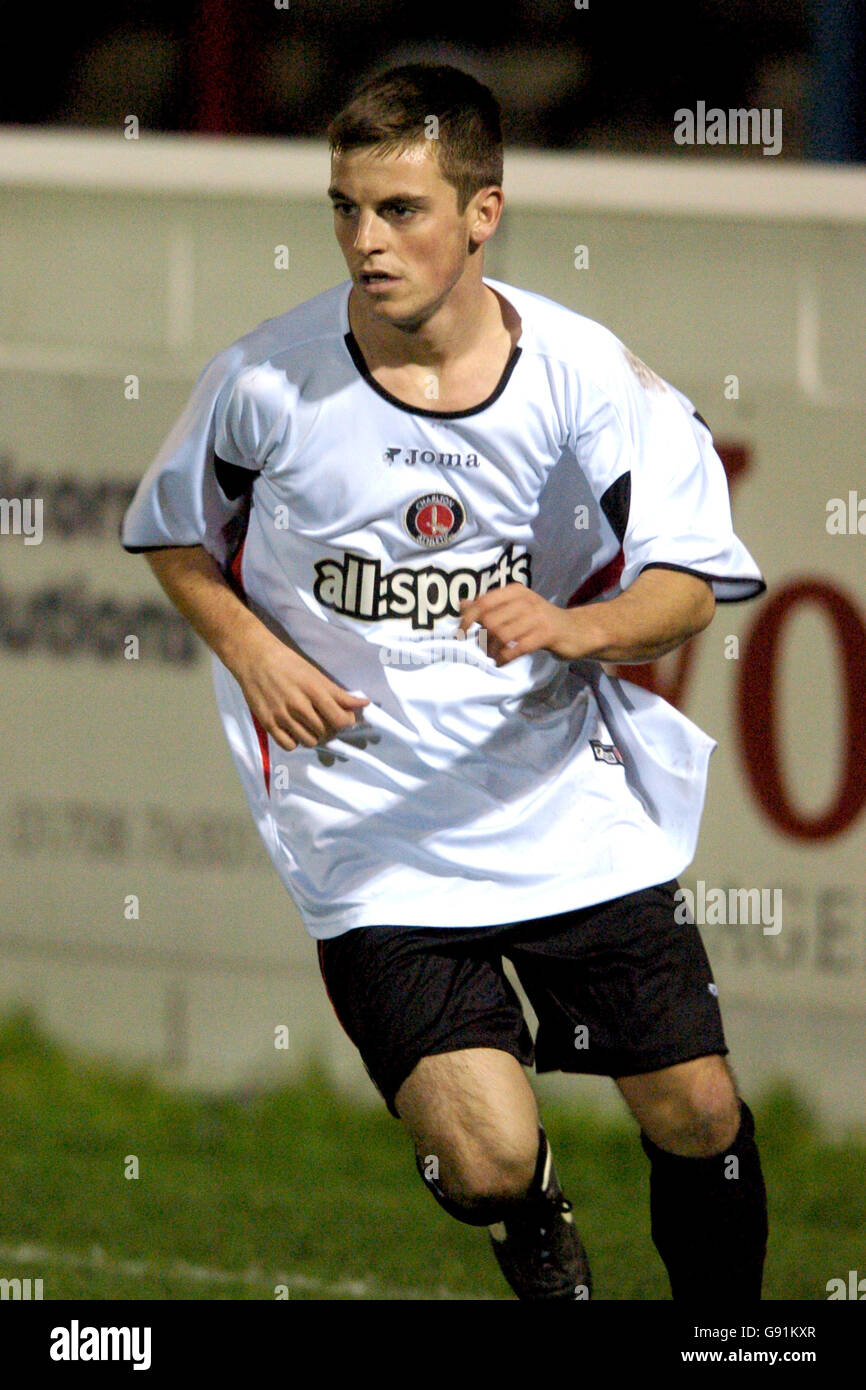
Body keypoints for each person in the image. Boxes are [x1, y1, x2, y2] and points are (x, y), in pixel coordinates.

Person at [122, 62, 769, 1301]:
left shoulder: (586, 379)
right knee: (480, 1159)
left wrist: (578, 628)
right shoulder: (263, 382)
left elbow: (688, 584)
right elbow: (168, 532)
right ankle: (535, 1246)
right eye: (345, 209)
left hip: (558, 804)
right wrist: (255, 650)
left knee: (694, 1107)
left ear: (482, 214)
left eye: (400, 210)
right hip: (365, 826)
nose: (366, 242)